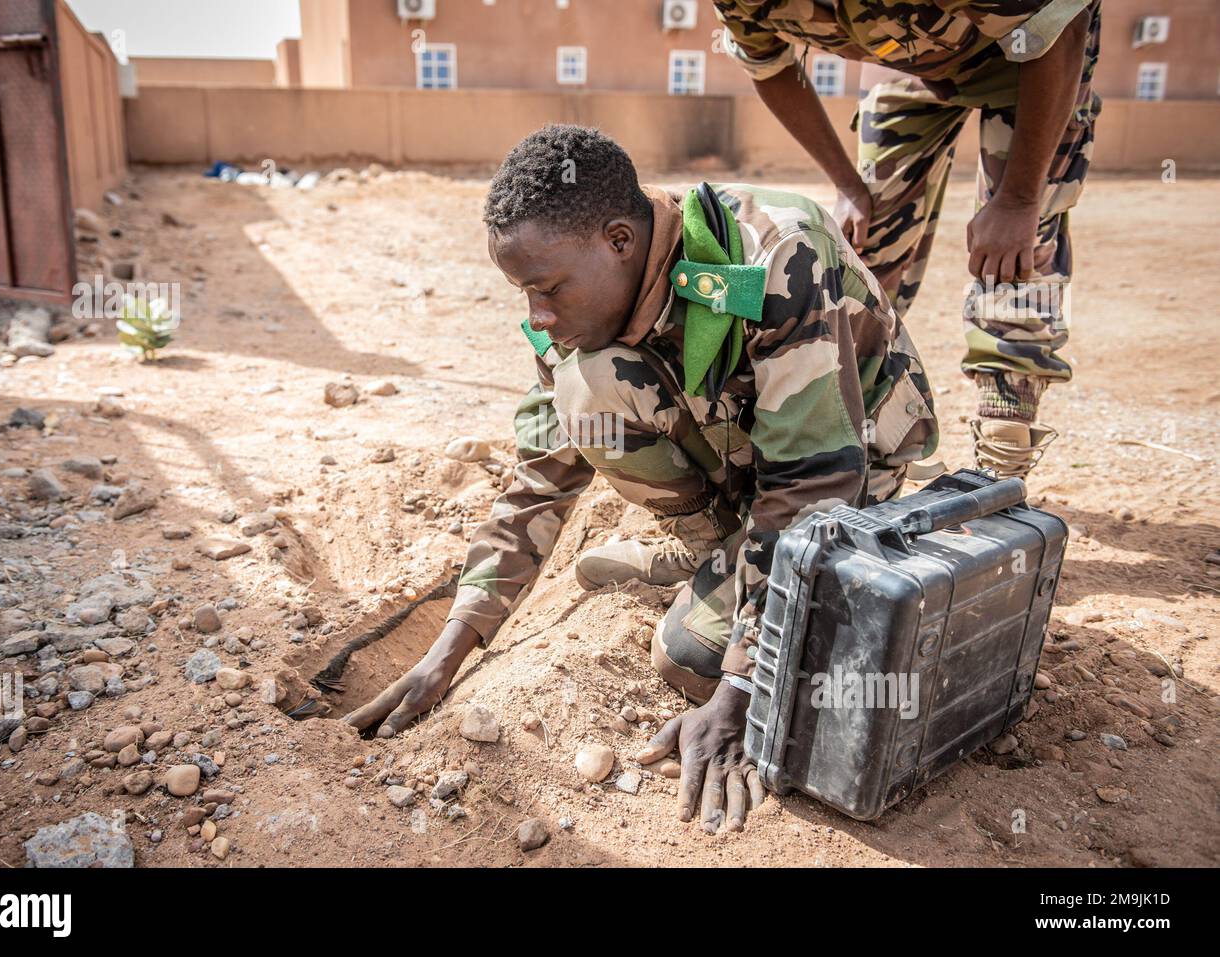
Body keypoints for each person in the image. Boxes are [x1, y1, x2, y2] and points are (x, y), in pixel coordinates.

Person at [348, 124, 938, 834]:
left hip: (850, 457)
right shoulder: (570, 319)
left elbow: (814, 485)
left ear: (620, 241)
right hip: (754, 459)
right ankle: (716, 550)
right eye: (523, 292)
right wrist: (451, 648)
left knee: (689, 655)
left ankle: (739, 580)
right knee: (583, 387)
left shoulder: (777, 254)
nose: (536, 314)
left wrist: (742, 687)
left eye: (547, 288)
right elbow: (539, 480)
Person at [712, 0, 1100, 478]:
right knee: (861, 252)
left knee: (1017, 248)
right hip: (906, 58)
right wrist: (849, 185)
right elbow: (768, 66)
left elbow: (1062, 27)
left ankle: (1004, 449)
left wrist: (1019, 200)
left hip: (1033, 53)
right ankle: (870, 447)